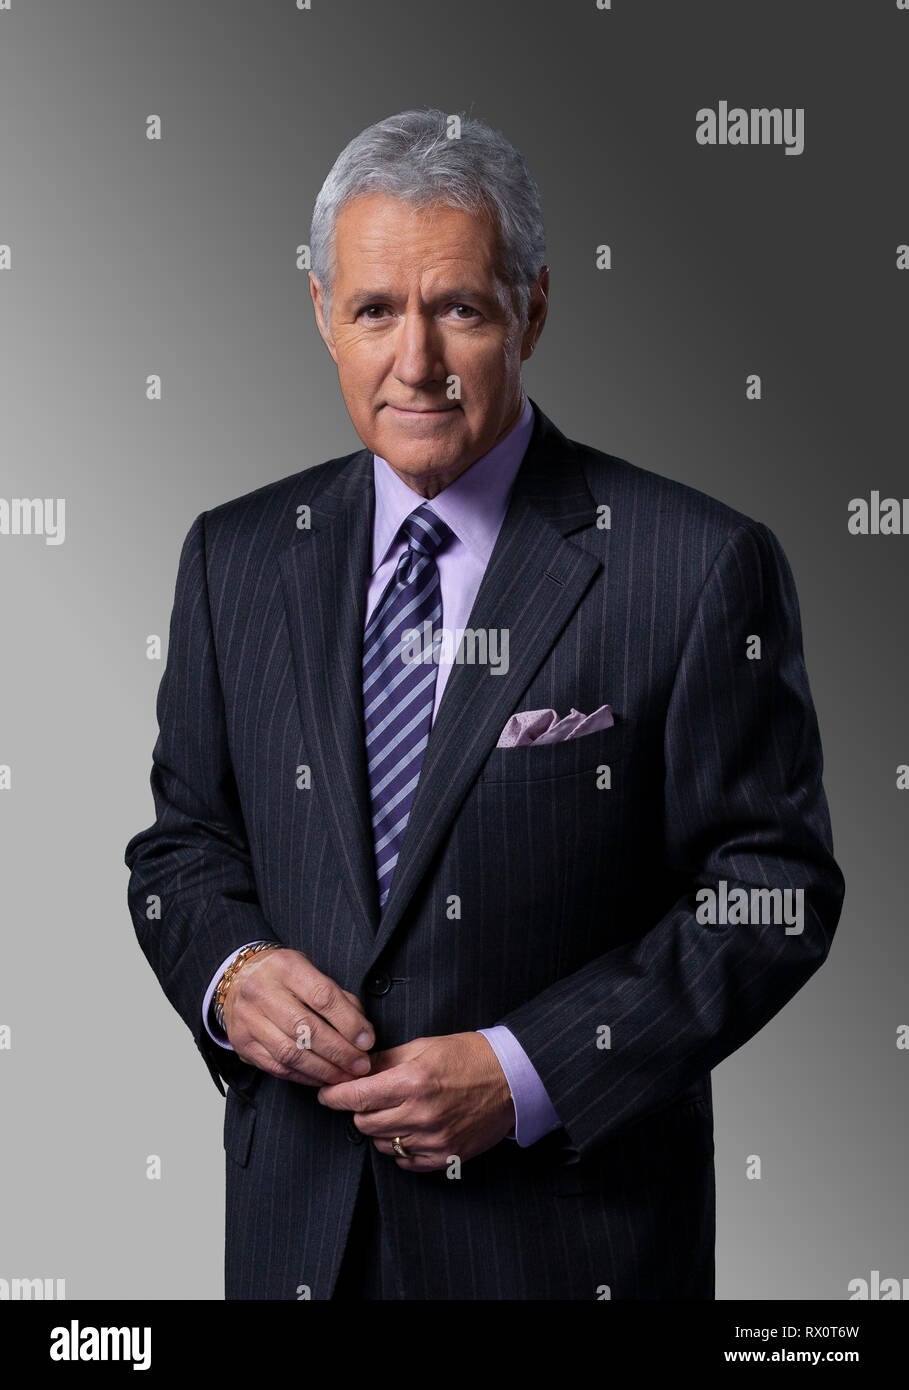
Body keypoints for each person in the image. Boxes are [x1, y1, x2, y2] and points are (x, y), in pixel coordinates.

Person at [124, 106, 845, 1300]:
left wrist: (527, 1072)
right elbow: (183, 844)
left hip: (565, 1251)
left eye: (457, 308)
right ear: (321, 313)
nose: (416, 362)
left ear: (533, 310)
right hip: (299, 1239)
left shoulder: (695, 565)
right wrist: (232, 970)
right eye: (374, 311)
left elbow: (773, 890)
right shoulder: (233, 558)